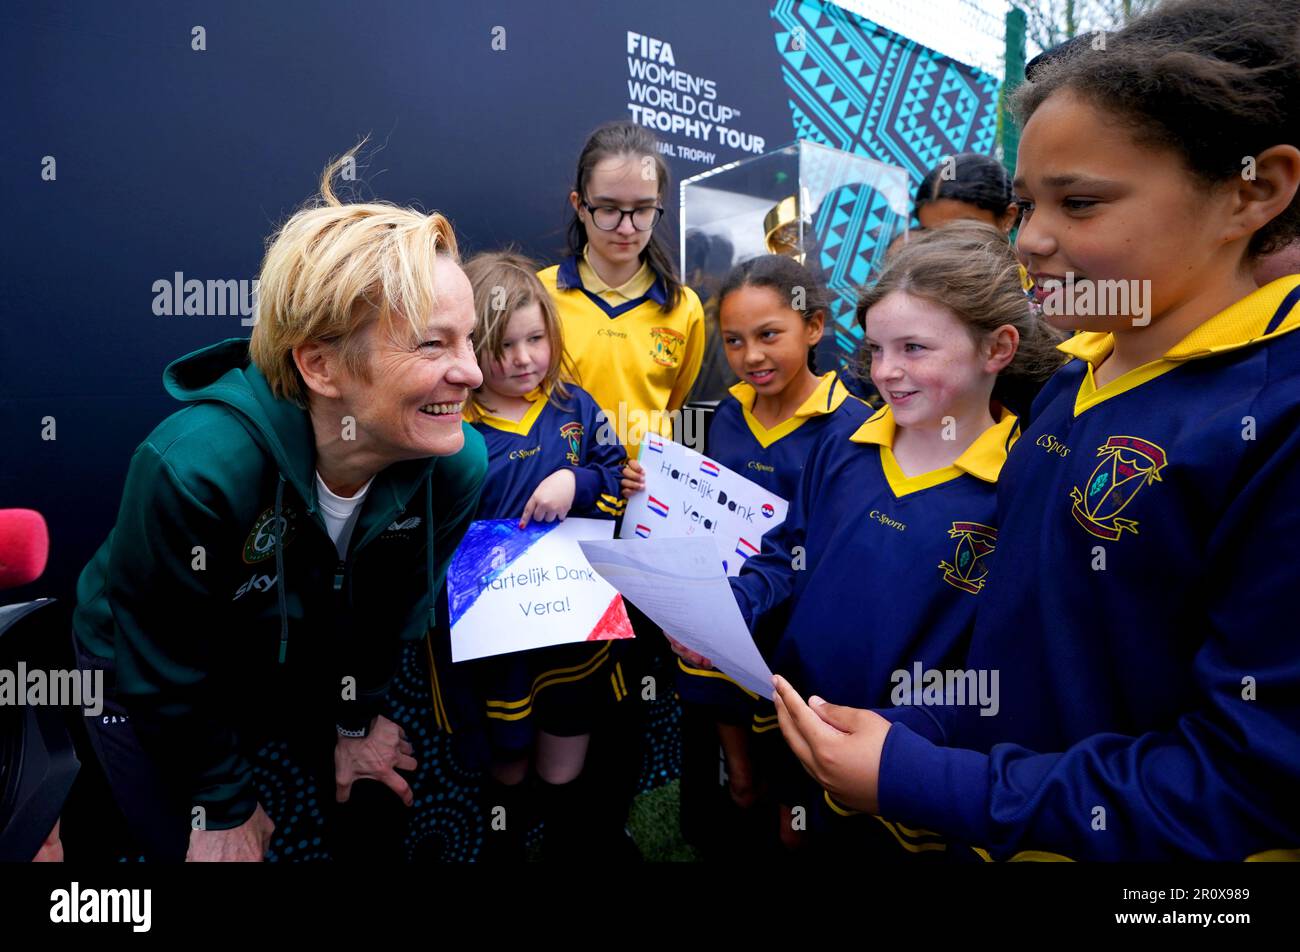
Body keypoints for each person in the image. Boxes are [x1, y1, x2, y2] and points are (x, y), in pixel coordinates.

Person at [774, 0, 1300, 861]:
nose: (1033, 241)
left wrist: (928, 780)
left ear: (1254, 189)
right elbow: (1024, 644)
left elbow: (1249, 787)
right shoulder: (1071, 381)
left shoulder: (1277, 422)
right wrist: (908, 733)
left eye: (1082, 203)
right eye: (1023, 205)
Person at [70, 148, 488, 861]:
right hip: (139, 671)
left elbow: (390, 617)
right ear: (320, 364)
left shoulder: (452, 464)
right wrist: (222, 804)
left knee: (369, 798)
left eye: (470, 338)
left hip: (289, 655)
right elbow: (165, 664)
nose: (473, 372)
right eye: (432, 344)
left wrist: (354, 724)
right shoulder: (194, 469)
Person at [726, 224, 1060, 854]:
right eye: (877, 349)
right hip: (798, 726)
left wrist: (911, 738)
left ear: (998, 348)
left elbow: (1005, 663)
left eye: (914, 348)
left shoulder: (1022, 484)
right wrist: (733, 609)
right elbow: (785, 555)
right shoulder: (844, 443)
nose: (887, 372)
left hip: (910, 771)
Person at [621, 254, 870, 853]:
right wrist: (646, 489)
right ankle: (736, 790)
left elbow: (816, 548)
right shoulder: (723, 414)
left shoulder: (852, 426)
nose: (751, 355)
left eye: (769, 335)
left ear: (813, 328)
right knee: (734, 778)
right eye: (733, 340)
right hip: (717, 634)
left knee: (793, 799)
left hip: (792, 641)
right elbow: (694, 505)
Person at [538, 120, 708, 856]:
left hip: (642, 533)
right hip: (553, 528)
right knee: (556, 687)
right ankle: (555, 834)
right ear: (579, 204)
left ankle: (609, 830)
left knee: (633, 689)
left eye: (643, 210)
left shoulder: (685, 308)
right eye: (609, 207)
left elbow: (688, 416)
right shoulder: (540, 298)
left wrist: (665, 473)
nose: (626, 226)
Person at [456, 251, 628, 861]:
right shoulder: (454, 427)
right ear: (469, 346)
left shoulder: (575, 407)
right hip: (501, 644)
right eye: (503, 345)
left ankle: (562, 841)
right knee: (507, 757)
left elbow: (615, 475)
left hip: (575, 630)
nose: (524, 359)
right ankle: (502, 850)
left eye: (536, 339)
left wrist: (575, 483)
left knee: (566, 748)